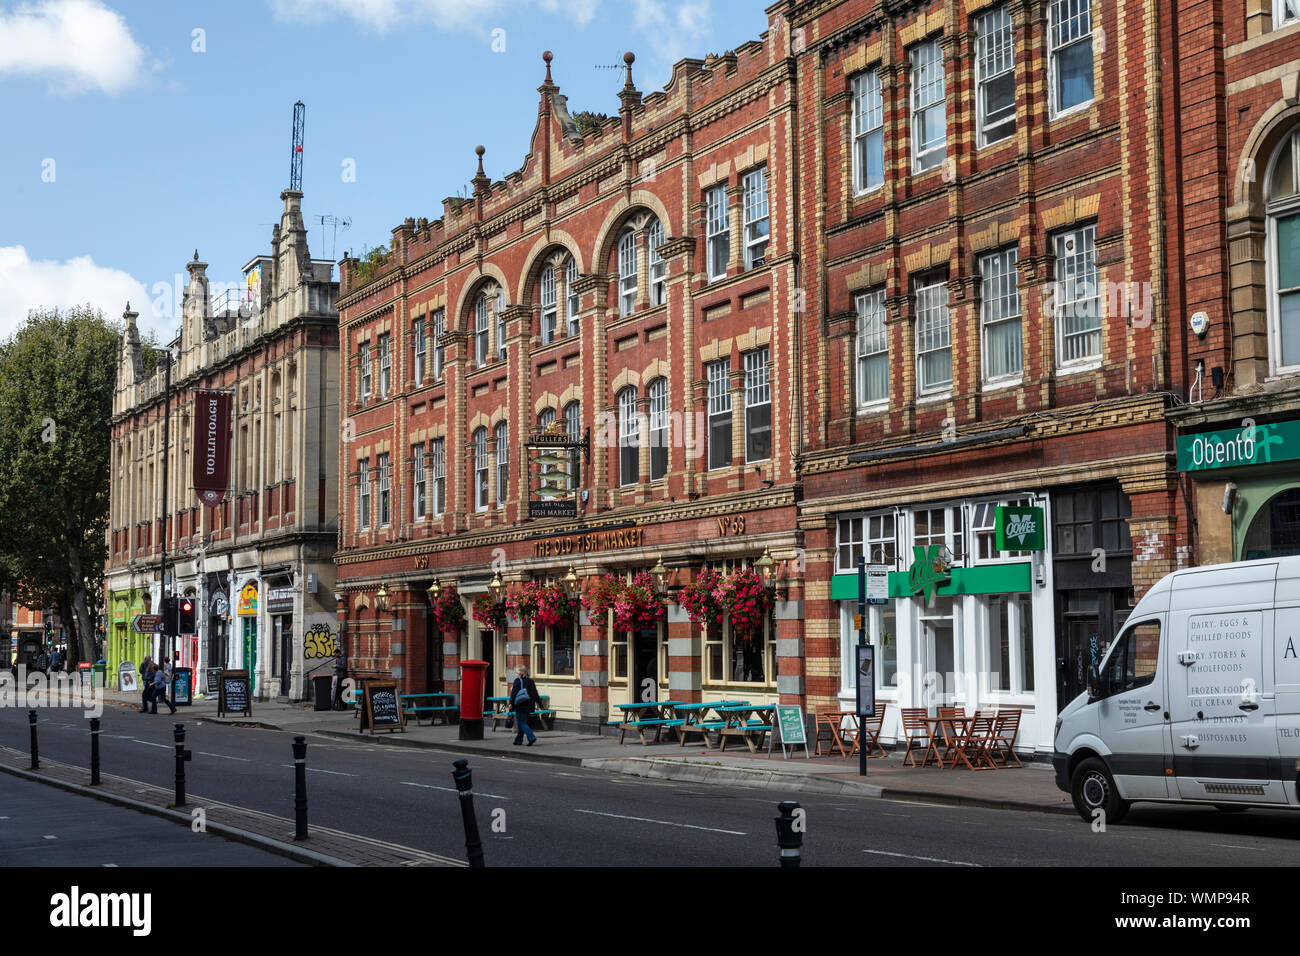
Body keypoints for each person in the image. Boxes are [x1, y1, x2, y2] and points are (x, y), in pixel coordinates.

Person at [508, 664, 541, 747]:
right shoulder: (531, 681)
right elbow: (535, 693)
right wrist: (540, 704)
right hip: (529, 705)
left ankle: (531, 737)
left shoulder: (517, 681)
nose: (515, 674)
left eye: (516, 672)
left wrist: (511, 703)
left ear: (519, 673)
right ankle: (518, 740)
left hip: (520, 704)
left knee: (522, 722)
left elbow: (514, 693)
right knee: (521, 722)